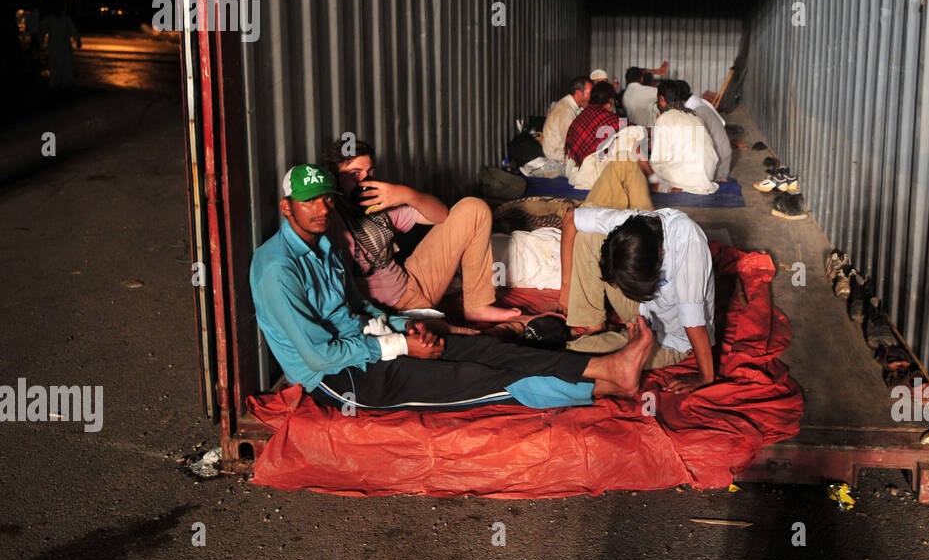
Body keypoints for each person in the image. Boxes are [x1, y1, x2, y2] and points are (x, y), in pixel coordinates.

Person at [250, 164, 653, 411]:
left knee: (485, 348)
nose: (321, 210)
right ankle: (605, 382)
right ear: (287, 207)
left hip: (373, 340)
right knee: (473, 377)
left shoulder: (326, 245)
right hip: (340, 379)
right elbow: (319, 357)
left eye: (326, 200)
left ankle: (607, 368)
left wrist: (400, 328)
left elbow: (359, 307)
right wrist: (400, 347)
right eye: (309, 202)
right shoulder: (276, 270)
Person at [320, 137, 519, 322]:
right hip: (392, 308)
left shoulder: (378, 209)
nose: (364, 181)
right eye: (354, 174)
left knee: (473, 208)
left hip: (414, 281)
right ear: (334, 179)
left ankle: (478, 306)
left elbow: (441, 215)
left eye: (370, 172)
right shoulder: (330, 219)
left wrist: (407, 195)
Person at [558, 192, 717, 393]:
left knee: (569, 356)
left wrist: (706, 377)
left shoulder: (688, 243)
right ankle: (590, 322)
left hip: (668, 337)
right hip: (642, 307)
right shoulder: (635, 225)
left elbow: (693, 322)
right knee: (588, 237)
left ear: (660, 257)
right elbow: (571, 218)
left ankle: (588, 345)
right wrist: (566, 289)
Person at [648, 79, 718, 195]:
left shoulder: (664, 118)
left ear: (661, 99)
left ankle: (670, 187)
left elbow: (658, 158)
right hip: (708, 173)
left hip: (687, 177)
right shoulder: (694, 116)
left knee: (645, 171)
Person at [680, 79, 731, 182]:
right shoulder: (699, 102)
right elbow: (722, 123)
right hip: (723, 155)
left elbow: (696, 145)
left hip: (718, 166)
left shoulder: (695, 111)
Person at [564, 80, 622, 170]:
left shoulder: (583, 115)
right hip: (592, 174)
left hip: (573, 170)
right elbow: (631, 129)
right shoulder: (607, 118)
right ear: (610, 101)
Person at [541, 76, 591, 165]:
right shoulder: (565, 111)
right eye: (589, 93)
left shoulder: (573, 106)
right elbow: (574, 144)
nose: (591, 97)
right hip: (557, 156)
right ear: (579, 93)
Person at [40, 5, 80, 90]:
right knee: (55, 65)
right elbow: (43, 30)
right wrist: (41, 40)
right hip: (54, 46)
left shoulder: (65, 19)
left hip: (64, 46)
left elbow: (72, 29)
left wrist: (77, 39)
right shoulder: (50, 19)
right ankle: (55, 83)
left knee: (65, 65)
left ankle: (65, 83)